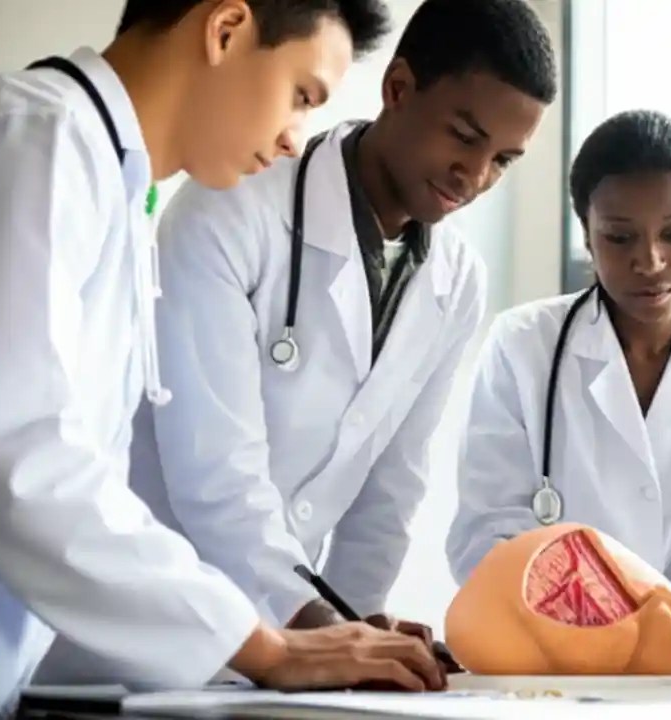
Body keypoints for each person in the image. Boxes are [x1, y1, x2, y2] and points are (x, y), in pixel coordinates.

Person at [0, 2, 450, 717]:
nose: (294, 138)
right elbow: (10, 452)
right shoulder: (30, 138)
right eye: (301, 95)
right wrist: (265, 647)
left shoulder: (117, 187)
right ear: (226, 30)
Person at [60, 0, 554, 664]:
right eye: (465, 136)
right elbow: (216, 475)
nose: (477, 176)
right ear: (398, 88)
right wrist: (319, 629)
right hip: (144, 624)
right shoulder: (231, 206)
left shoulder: (458, 278)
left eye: (505, 160)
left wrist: (359, 633)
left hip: (282, 644)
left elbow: (392, 488)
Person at [446, 110, 671, 615]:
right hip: (547, 640)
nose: (650, 261)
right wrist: (586, 624)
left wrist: (657, 631)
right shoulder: (523, 345)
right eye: (620, 238)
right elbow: (489, 530)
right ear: (588, 236)